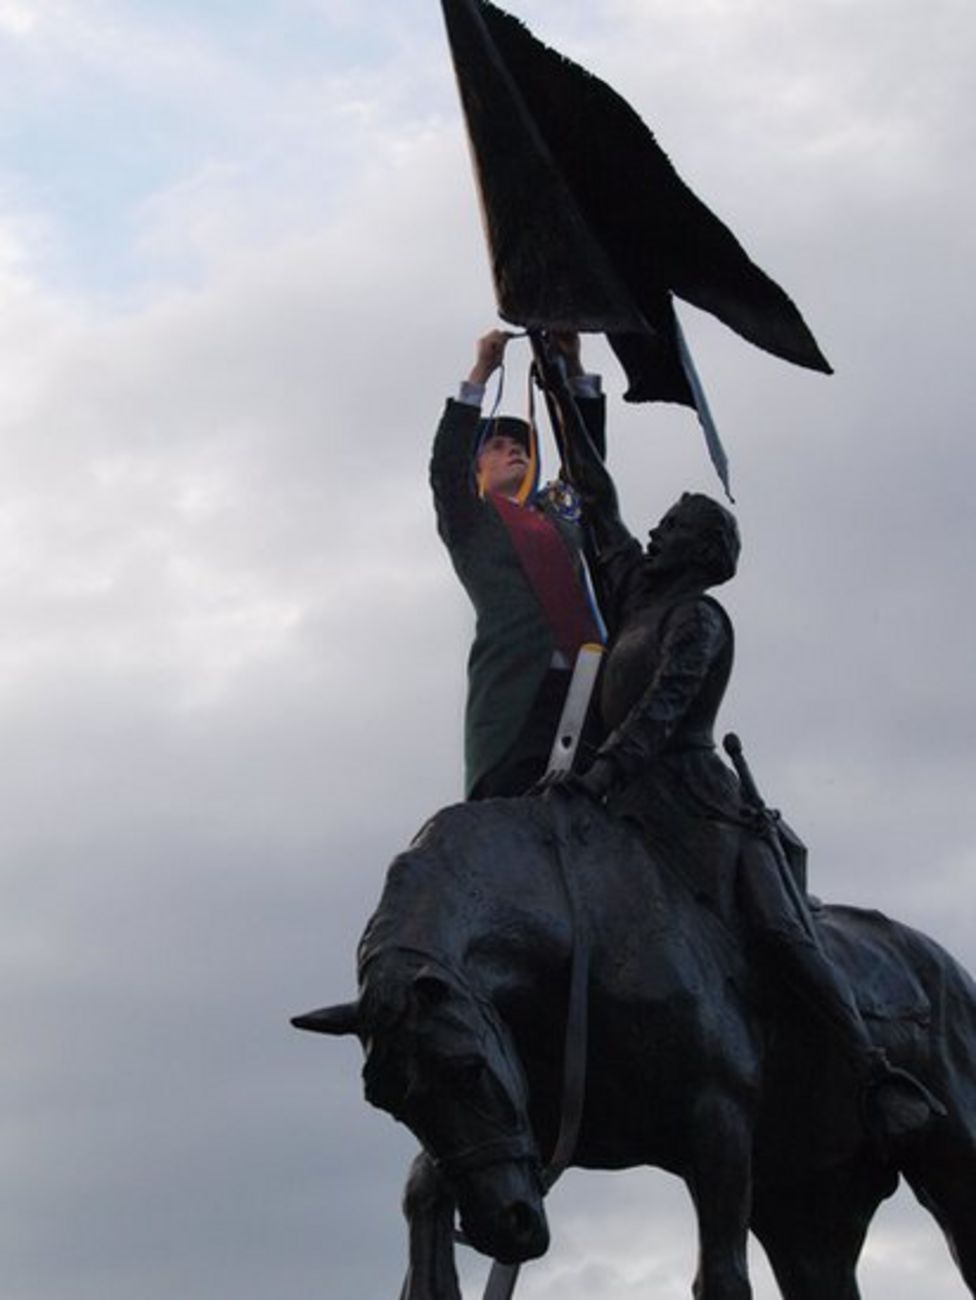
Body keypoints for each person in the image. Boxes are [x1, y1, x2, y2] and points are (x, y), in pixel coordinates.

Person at [556, 448, 942, 1144]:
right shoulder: (639, 597)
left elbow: (663, 709)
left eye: (671, 528)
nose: (655, 535)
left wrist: (607, 772)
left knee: (782, 934)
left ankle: (874, 1068)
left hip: (700, 806)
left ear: (701, 553)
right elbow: (599, 499)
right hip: (623, 796)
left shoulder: (699, 619)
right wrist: (562, 381)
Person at [430, 329, 605, 799]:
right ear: (476, 469)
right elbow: (445, 466)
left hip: (588, 686)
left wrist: (572, 366)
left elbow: (589, 470)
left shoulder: (557, 513)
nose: (515, 449)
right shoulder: (470, 520)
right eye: (497, 445)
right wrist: (481, 372)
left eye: (521, 445)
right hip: (516, 701)